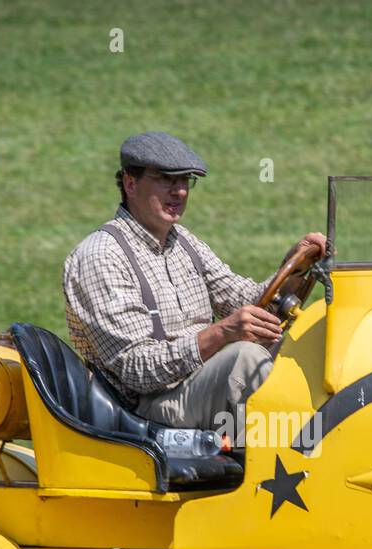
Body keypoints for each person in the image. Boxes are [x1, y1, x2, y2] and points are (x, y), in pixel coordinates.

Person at [62, 131, 326, 431]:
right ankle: (305, 454)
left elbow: (246, 300)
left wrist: (295, 267)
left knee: (311, 342)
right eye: (165, 179)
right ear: (130, 183)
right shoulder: (101, 256)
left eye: (185, 180)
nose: (180, 192)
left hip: (197, 382)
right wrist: (221, 334)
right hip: (148, 406)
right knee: (246, 359)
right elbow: (136, 369)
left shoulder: (183, 242)